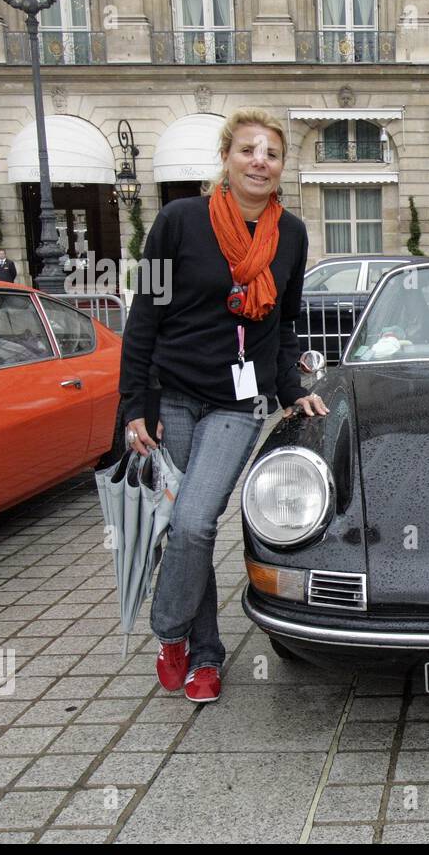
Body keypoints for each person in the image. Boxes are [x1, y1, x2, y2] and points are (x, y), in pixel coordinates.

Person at [118, 106, 330, 703]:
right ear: (226, 158)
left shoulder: (289, 234)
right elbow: (144, 317)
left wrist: (295, 391)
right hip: (174, 396)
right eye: (247, 150)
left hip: (240, 403)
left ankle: (168, 633)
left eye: (271, 153)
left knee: (191, 521)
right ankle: (203, 655)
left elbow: (284, 325)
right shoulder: (179, 221)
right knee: (184, 534)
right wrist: (136, 402)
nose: (259, 161)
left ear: (282, 167)